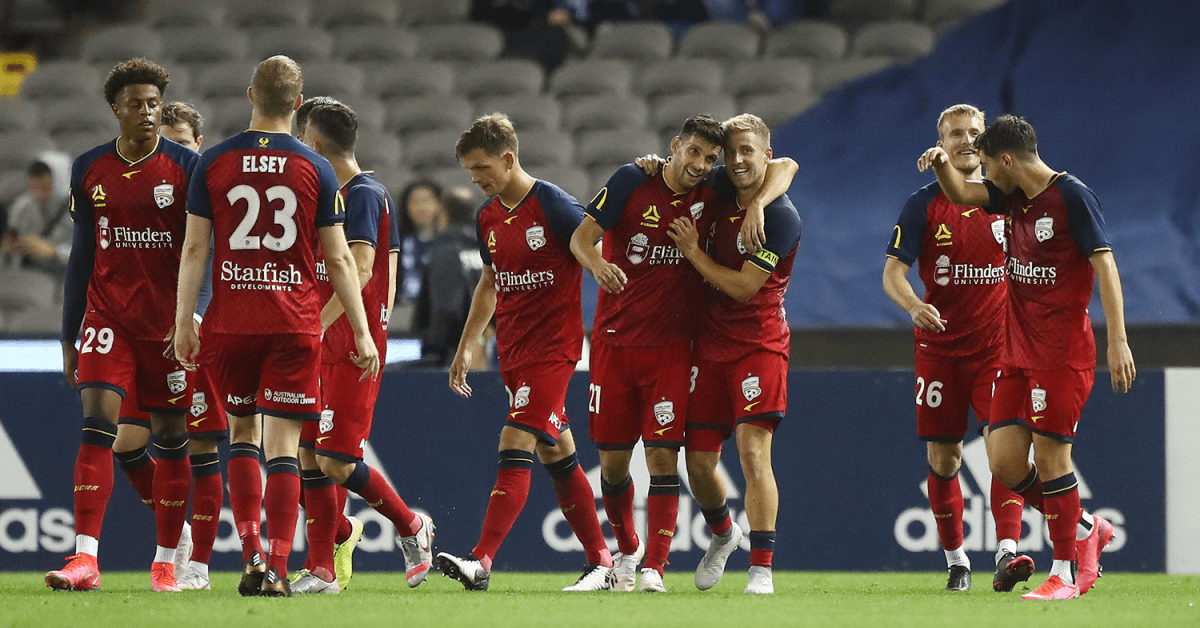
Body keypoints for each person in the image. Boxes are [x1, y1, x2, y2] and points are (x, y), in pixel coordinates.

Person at [173, 55, 380, 598]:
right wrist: (360, 331)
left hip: (230, 323)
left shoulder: (212, 162)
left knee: (241, 434)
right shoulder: (317, 168)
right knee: (283, 447)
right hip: (293, 325)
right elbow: (338, 261)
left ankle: (251, 556)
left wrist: (181, 322)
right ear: (297, 100)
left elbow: (195, 247)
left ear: (250, 95)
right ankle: (282, 569)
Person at [569, 114, 795, 593]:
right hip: (659, 344)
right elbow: (581, 237)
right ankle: (663, 547)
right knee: (650, 464)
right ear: (676, 147)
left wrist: (755, 209)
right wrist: (597, 263)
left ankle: (731, 568)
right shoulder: (662, 182)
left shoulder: (767, 211)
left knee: (716, 455)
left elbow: (789, 166)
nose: (716, 163)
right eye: (705, 153)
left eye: (724, 155)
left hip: (721, 345)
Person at [919, 114, 1135, 600]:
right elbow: (960, 193)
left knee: (1053, 458)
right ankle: (1086, 529)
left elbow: (1106, 264)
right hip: (1015, 353)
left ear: (1007, 160)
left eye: (988, 166)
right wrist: (939, 165)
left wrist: (1118, 339)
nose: (985, 176)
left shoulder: (1072, 196)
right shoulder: (1013, 195)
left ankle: (1063, 572)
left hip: (1061, 354)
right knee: (1004, 462)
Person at [436, 113, 614, 592]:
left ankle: (481, 561)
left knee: (515, 440)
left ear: (508, 158)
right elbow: (490, 285)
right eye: (469, 171)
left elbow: (595, 241)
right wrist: (467, 344)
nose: (474, 179)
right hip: (511, 353)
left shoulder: (554, 205)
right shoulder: (488, 217)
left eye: (480, 168)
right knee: (558, 450)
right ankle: (602, 562)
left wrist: (599, 268)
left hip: (553, 350)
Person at [46, 58, 200, 593]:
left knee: (171, 438)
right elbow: (81, 253)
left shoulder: (186, 168)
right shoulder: (89, 168)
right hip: (107, 317)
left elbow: (205, 248)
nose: (148, 112)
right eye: (137, 104)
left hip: (166, 328)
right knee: (97, 428)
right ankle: (85, 558)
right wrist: (68, 335)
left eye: (155, 104)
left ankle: (163, 564)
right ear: (116, 108)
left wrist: (194, 312)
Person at [883, 104, 1034, 592]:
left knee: (1003, 451)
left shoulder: (1005, 199)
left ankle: (1008, 554)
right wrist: (913, 306)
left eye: (974, 132)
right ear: (940, 141)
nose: (966, 140)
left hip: (997, 351)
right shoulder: (923, 204)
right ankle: (957, 563)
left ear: (986, 138)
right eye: (955, 134)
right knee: (944, 458)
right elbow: (892, 274)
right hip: (940, 351)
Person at [291, 99, 435, 595]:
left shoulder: (364, 194)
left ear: (314, 143)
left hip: (349, 344)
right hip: (325, 341)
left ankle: (411, 527)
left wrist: (360, 330)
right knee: (308, 455)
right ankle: (323, 569)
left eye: (300, 137)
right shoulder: (327, 195)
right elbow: (388, 270)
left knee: (333, 460)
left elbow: (364, 268)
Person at [664, 114, 800, 596]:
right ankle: (724, 534)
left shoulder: (781, 216)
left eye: (749, 151)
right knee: (698, 463)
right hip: (708, 345)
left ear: (764, 154)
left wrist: (693, 252)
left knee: (751, 451)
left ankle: (761, 567)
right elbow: (788, 162)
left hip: (758, 344)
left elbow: (744, 287)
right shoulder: (723, 186)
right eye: (732, 152)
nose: (738, 160)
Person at [395, 179, 448, 311]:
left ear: (440, 204)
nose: (421, 208)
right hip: (402, 311)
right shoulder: (397, 241)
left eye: (427, 201)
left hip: (437, 313)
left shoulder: (449, 241)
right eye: (414, 202)